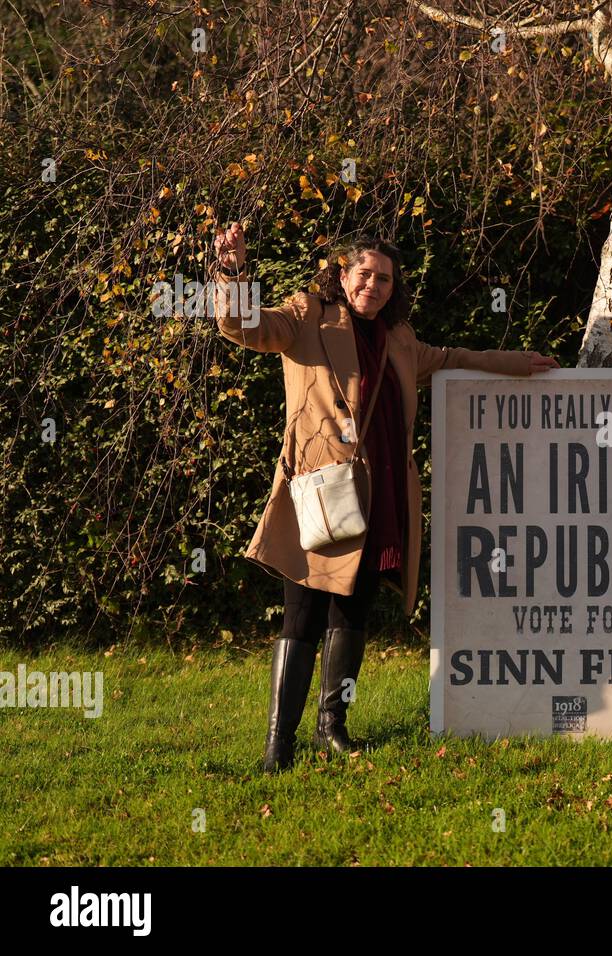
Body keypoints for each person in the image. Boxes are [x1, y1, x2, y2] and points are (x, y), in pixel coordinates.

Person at [210, 225, 558, 772]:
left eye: (384, 278)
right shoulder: (306, 316)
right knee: (301, 618)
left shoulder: (400, 340)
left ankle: (333, 726)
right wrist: (232, 274)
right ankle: (279, 743)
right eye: (364, 274)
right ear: (342, 275)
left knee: (351, 615)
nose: (373, 284)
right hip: (323, 496)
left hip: (382, 499)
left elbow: (451, 359)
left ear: (395, 288)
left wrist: (518, 362)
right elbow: (245, 326)